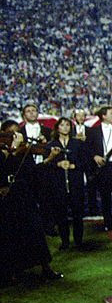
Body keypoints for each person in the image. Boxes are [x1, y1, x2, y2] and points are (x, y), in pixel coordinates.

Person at [0, 121, 61, 283]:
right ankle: (12, 271)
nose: (15, 136)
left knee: (35, 230)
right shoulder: (4, 151)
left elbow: (32, 171)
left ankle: (46, 267)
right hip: (6, 197)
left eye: (16, 132)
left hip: (23, 193)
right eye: (10, 133)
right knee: (10, 234)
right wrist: (13, 149)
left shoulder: (23, 151)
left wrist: (49, 159)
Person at [43, 116, 88, 250]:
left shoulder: (77, 143)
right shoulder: (51, 145)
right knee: (61, 214)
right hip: (58, 184)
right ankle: (65, 242)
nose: (65, 127)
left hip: (75, 183)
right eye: (62, 125)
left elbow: (86, 161)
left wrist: (74, 166)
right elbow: (45, 164)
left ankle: (79, 241)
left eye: (67, 125)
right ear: (57, 128)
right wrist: (58, 163)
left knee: (77, 214)